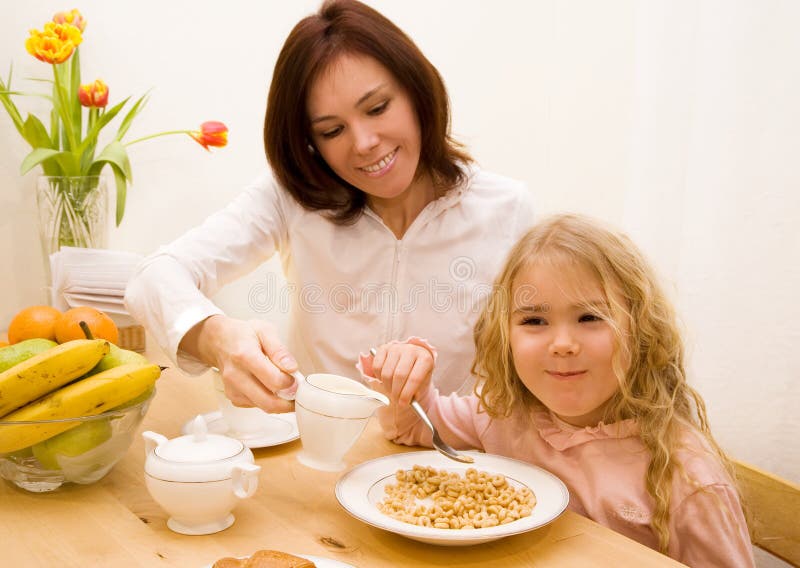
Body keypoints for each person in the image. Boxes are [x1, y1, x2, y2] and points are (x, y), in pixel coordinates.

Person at [124, 0, 534, 413]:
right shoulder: (292, 198)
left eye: (377, 108)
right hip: (321, 461)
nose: (364, 142)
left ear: (416, 91)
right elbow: (152, 278)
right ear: (310, 143)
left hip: (452, 465)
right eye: (332, 130)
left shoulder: (505, 210)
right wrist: (217, 339)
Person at [363, 214, 754, 567]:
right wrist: (405, 374)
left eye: (590, 317)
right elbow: (412, 427)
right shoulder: (503, 415)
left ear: (641, 330)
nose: (562, 343)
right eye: (535, 320)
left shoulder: (688, 480)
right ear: (505, 335)